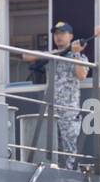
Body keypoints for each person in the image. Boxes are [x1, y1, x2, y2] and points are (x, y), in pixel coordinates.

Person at [22, 22, 89, 169]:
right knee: (50, 148)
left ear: (70, 36)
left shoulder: (78, 56)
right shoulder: (51, 55)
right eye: (56, 33)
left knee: (69, 150)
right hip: (51, 109)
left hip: (68, 111)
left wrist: (76, 52)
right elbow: (25, 56)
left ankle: (72, 177)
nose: (58, 37)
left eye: (62, 33)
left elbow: (82, 74)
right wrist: (55, 54)